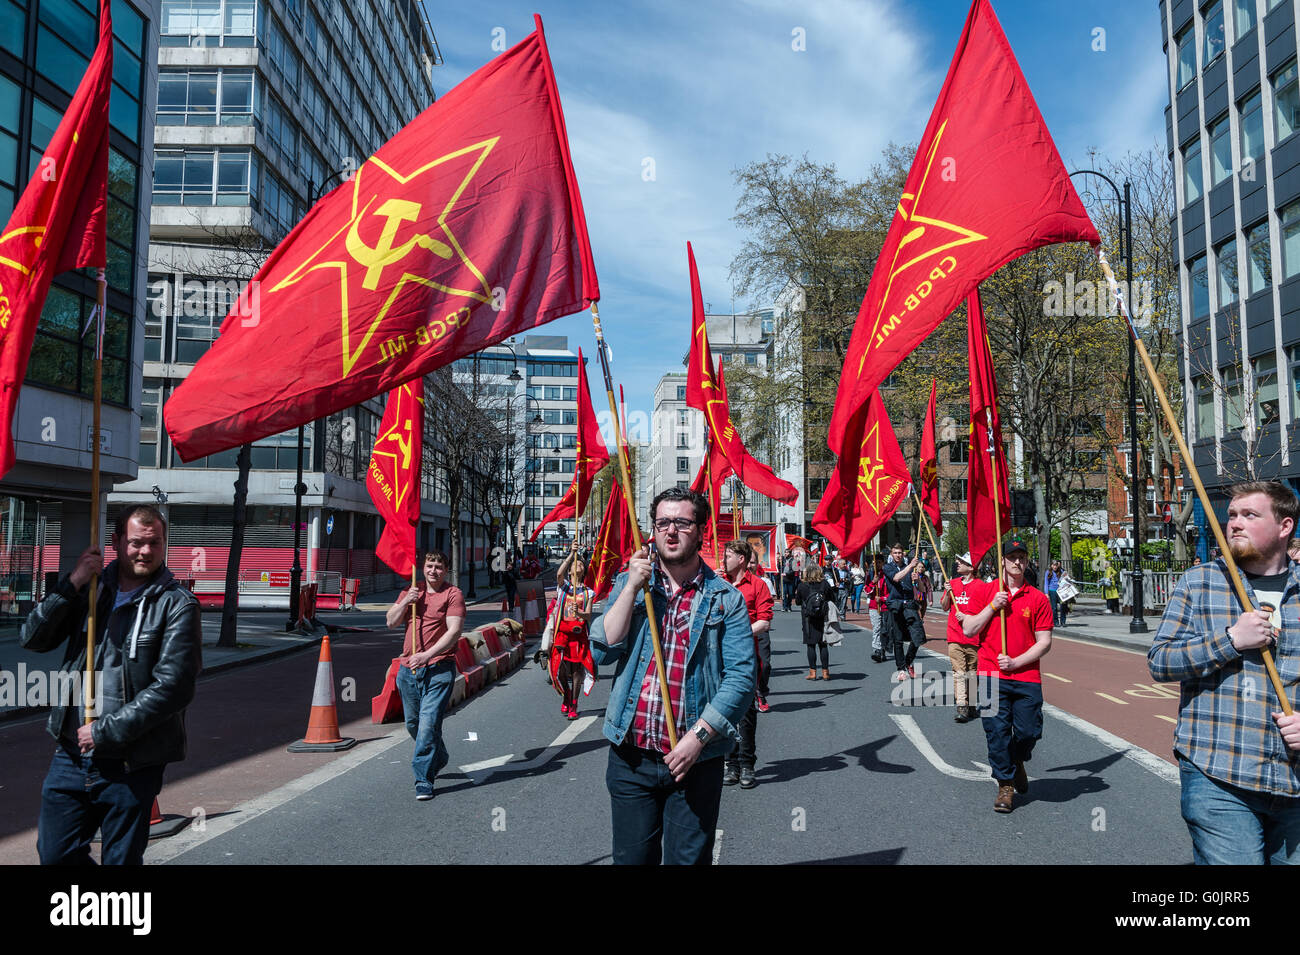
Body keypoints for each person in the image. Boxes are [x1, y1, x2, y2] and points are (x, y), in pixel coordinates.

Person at [22, 504, 202, 865]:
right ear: (117, 542)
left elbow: (173, 689)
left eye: (155, 543)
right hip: (72, 755)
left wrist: (103, 732)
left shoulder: (177, 605)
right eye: (136, 543)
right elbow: (33, 638)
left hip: (131, 763)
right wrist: (71, 584)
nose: (145, 552)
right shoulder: (92, 592)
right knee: (55, 854)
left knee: (120, 861)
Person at [590, 487, 754, 865]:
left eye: (682, 522)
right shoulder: (632, 586)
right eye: (662, 522)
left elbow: (741, 679)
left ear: (700, 530)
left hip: (694, 762)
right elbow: (602, 648)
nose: (671, 531)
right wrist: (631, 585)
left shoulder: (724, 599)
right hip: (632, 759)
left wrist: (698, 738)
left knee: (688, 861)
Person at [1149, 481, 1300, 865]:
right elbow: (1161, 661)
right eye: (1232, 514)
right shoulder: (1200, 583)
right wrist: (1231, 640)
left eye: (1250, 515)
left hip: (1294, 780)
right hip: (1219, 772)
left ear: (1285, 527)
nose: (1235, 523)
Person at [961, 539, 1053, 814]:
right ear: (1002, 561)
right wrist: (992, 606)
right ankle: (1005, 785)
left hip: (1025, 676)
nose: (1017, 562)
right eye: (1011, 557)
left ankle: (1018, 759)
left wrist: (1015, 662)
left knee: (1028, 732)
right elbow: (968, 630)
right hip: (990, 674)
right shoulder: (985, 591)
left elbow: (1044, 642)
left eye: (1022, 557)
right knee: (997, 734)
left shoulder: (1038, 598)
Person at [386, 551, 465, 801]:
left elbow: (454, 632)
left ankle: (423, 779)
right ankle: (439, 756)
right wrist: (404, 603)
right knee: (413, 724)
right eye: (429, 565)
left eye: (439, 566)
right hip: (408, 670)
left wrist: (427, 654)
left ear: (446, 570)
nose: (433, 570)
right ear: (423, 568)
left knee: (428, 723)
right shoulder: (412, 591)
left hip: (439, 669)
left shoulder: (453, 594)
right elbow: (390, 622)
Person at [720, 540, 774, 787]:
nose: (724, 559)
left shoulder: (758, 585)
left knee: (746, 712)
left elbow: (764, 621)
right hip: (719, 656)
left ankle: (747, 764)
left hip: (745, 656)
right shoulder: (718, 584)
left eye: (728, 555)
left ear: (742, 559)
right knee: (723, 711)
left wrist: (738, 635)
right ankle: (729, 763)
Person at [549, 544, 595, 720]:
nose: (578, 566)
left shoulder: (588, 592)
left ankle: (574, 703)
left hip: (578, 635)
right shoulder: (564, 587)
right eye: (575, 564)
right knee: (559, 668)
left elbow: (588, 615)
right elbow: (559, 574)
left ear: (584, 571)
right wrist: (571, 555)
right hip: (561, 634)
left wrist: (579, 613)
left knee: (576, 671)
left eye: (581, 564)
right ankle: (566, 694)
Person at [940, 552, 982, 723]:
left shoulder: (981, 586)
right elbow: (944, 607)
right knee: (959, 672)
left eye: (962, 561)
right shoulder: (952, 584)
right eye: (957, 560)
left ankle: (971, 704)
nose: (957, 563)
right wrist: (948, 592)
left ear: (971, 567)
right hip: (954, 635)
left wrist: (969, 619)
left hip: (973, 637)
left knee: (972, 673)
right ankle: (962, 706)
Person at [883, 542, 926, 682]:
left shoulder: (910, 569)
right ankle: (901, 669)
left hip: (909, 605)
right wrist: (910, 567)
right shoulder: (888, 567)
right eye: (895, 553)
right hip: (896, 605)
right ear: (891, 554)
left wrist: (917, 579)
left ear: (903, 554)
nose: (898, 555)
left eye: (900, 553)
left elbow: (922, 589)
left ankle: (908, 661)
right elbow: (896, 578)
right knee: (898, 639)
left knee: (917, 637)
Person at [798, 563, 835, 680]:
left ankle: (813, 672)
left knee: (811, 645)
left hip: (808, 618)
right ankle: (825, 672)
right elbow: (832, 598)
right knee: (823, 645)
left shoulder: (802, 585)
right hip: (823, 617)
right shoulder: (824, 584)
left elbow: (798, 601)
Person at [869, 554, 889, 663]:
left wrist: (882, 598)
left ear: (882, 563)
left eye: (878, 562)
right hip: (874, 606)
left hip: (885, 606)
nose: (876, 564)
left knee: (885, 630)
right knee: (876, 628)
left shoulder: (887, 574)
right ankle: (877, 650)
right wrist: (873, 582)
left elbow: (891, 592)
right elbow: (867, 590)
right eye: (874, 562)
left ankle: (883, 649)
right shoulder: (871, 573)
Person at [1044, 559, 1069, 628]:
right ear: (1051, 565)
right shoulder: (1048, 572)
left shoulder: (1061, 571)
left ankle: (1063, 621)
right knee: (1054, 608)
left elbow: (1066, 580)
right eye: (1053, 565)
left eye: (1056, 565)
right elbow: (1046, 583)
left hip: (1061, 591)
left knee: (1063, 606)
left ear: (1058, 565)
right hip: (1052, 591)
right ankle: (1056, 622)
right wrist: (1046, 593)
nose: (1054, 567)